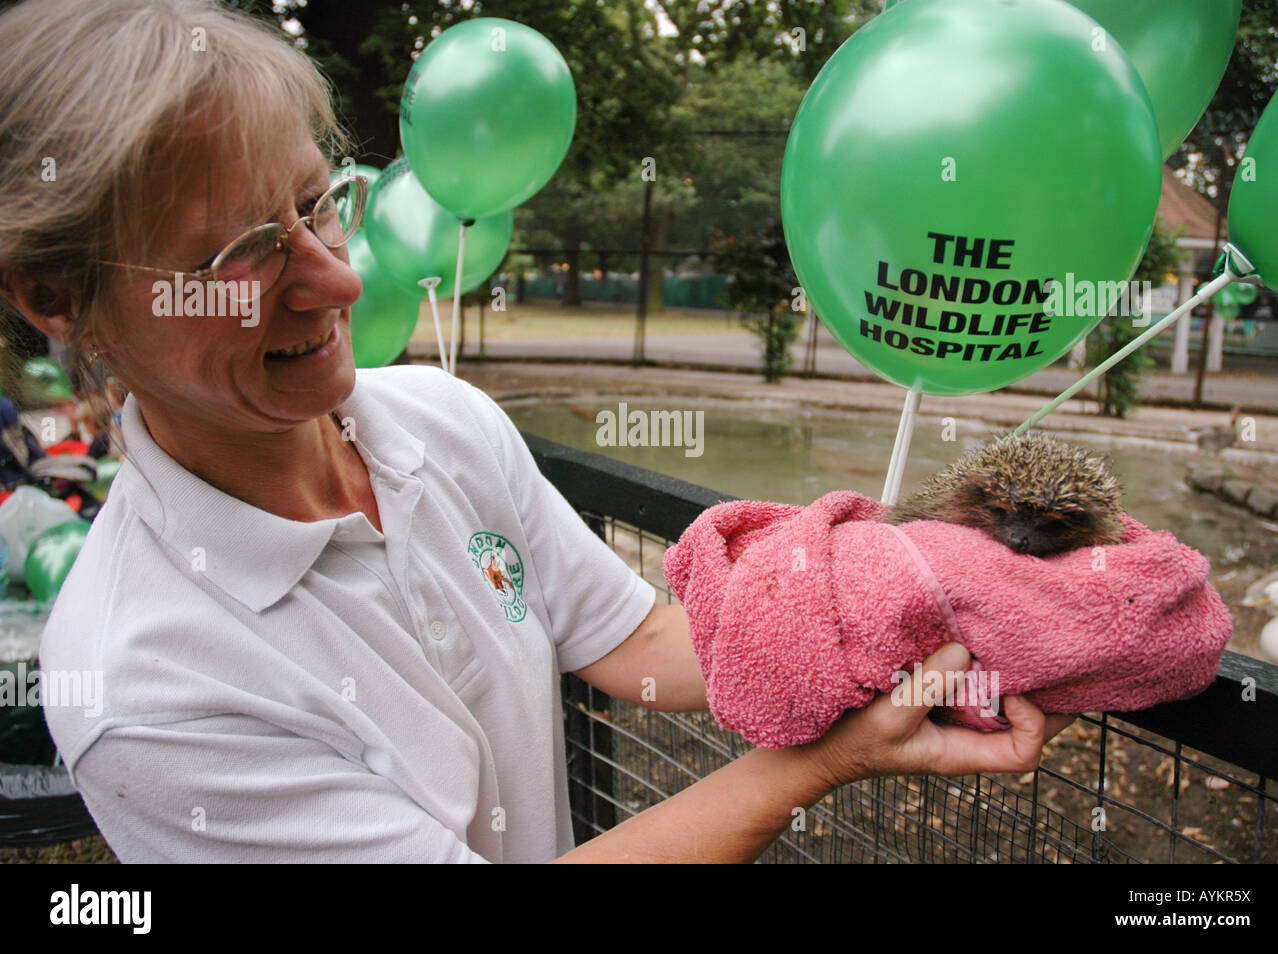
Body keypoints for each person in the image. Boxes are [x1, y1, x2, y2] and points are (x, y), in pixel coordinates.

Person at [0, 0, 1071, 863]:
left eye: (318, 204)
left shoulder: (441, 422)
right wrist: (813, 768)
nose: (334, 278)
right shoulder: (151, 690)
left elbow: (636, 646)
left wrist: (922, 620)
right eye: (239, 253)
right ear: (55, 297)